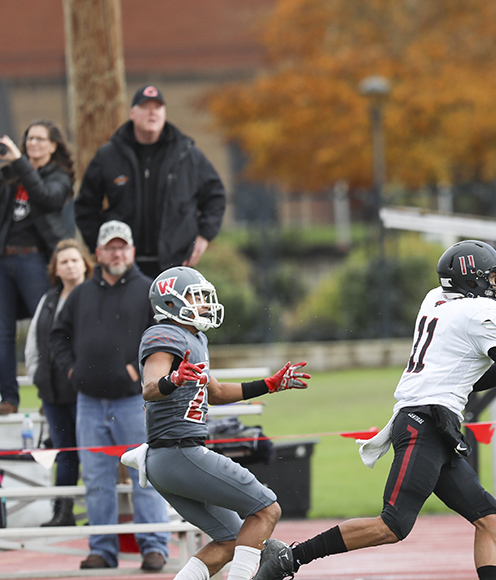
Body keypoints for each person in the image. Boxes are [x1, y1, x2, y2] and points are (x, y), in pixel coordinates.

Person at [251, 239, 496, 580]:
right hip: (425, 425)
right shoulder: (480, 313)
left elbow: (469, 380)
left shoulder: (438, 300)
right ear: (472, 281)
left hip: (437, 424)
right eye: (492, 276)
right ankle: (289, 557)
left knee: (491, 519)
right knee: (393, 524)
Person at [119, 266, 310, 580]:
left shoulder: (194, 337)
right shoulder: (163, 333)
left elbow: (217, 392)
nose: (204, 304)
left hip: (173, 458)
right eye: (196, 297)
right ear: (170, 303)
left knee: (231, 540)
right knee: (266, 510)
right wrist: (172, 379)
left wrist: (270, 384)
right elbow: (150, 388)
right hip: (179, 453)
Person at [49, 220, 170, 571]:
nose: (117, 252)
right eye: (110, 247)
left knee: (145, 475)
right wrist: (73, 370)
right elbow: (58, 337)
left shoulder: (149, 291)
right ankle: (102, 548)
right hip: (88, 403)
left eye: (123, 246)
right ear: (98, 253)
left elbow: (164, 336)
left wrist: (140, 372)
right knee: (96, 479)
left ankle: (154, 546)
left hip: (134, 401)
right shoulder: (81, 293)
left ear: (131, 251)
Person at [75, 85, 226, 279]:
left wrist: (204, 236)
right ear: (132, 113)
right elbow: (85, 206)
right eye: (145, 108)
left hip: (175, 264)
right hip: (124, 269)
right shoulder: (109, 155)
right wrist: (104, 247)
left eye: (158, 108)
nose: (152, 113)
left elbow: (216, 196)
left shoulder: (186, 154)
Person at [0, 120, 75, 414]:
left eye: (40, 139)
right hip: (4, 258)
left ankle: (51, 396)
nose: (33, 144)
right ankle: (7, 398)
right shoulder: (10, 175)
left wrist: (19, 162)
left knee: (46, 328)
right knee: (2, 332)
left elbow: (46, 197)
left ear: (53, 145)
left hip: (36, 260)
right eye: (29, 139)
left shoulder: (59, 177)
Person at [24, 238, 93, 526]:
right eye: (63, 261)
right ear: (56, 268)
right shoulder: (48, 300)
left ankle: (98, 515)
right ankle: (62, 513)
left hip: (87, 393)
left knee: (92, 455)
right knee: (64, 453)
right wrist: (36, 377)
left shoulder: (94, 296)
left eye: (74, 260)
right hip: (52, 393)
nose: (70, 266)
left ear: (85, 264)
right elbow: (32, 341)